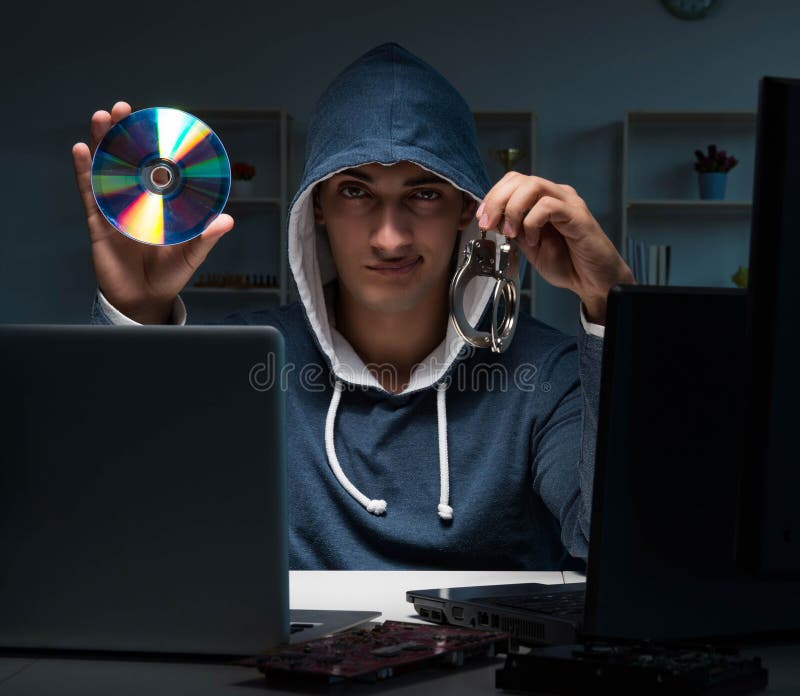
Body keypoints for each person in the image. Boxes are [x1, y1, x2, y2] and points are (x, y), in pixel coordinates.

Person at [74, 42, 635, 569]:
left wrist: (616, 309)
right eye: (355, 191)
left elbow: (619, 546)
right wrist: (134, 319)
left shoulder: (549, 374)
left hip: (492, 674)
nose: (390, 238)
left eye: (424, 193)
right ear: (316, 206)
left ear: (469, 209)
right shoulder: (241, 364)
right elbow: (123, 524)